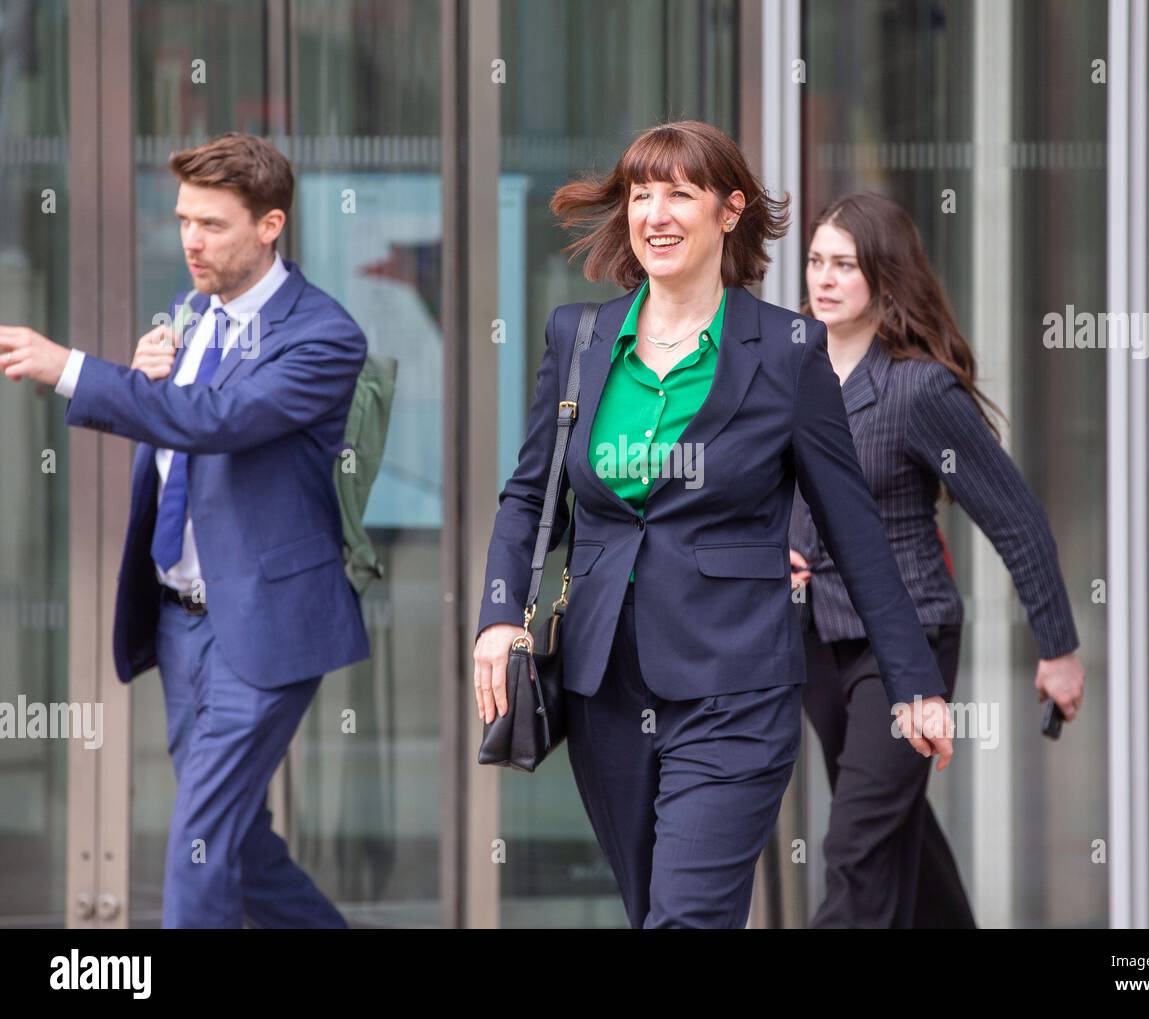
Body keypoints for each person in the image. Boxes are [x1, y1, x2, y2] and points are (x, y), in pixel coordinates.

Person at [473, 121, 953, 929]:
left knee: (687, 918)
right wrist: (497, 615)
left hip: (736, 688)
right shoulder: (580, 338)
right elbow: (530, 497)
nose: (654, 214)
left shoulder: (789, 349)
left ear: (729, 212)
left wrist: (914, 682)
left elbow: (853, 528)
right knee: (654, 910)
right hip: (603, 687)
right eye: (640, 193)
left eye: (679, 194)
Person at [0, 132, 367, 928]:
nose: (191, 241)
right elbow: (174, 431)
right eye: (183, 220)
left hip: (264, 627)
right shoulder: (193, 311)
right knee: (237, 843)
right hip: (181, 621)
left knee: (197, 839)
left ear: (271, 226)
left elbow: (220, 420)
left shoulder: (323, 337)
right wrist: (143, 385)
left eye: (213, 224)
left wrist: (73, 369)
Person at [789, 192, 1085, 928]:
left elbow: (1015, 518)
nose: (823, 279)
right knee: (895, 835)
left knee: (856, 844)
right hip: (816, 642)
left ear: (884, 280)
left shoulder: (919, 389)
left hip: (907, 642)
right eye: (817, 261)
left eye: (845, 266)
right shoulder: (790, 367)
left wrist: (1058, 648)